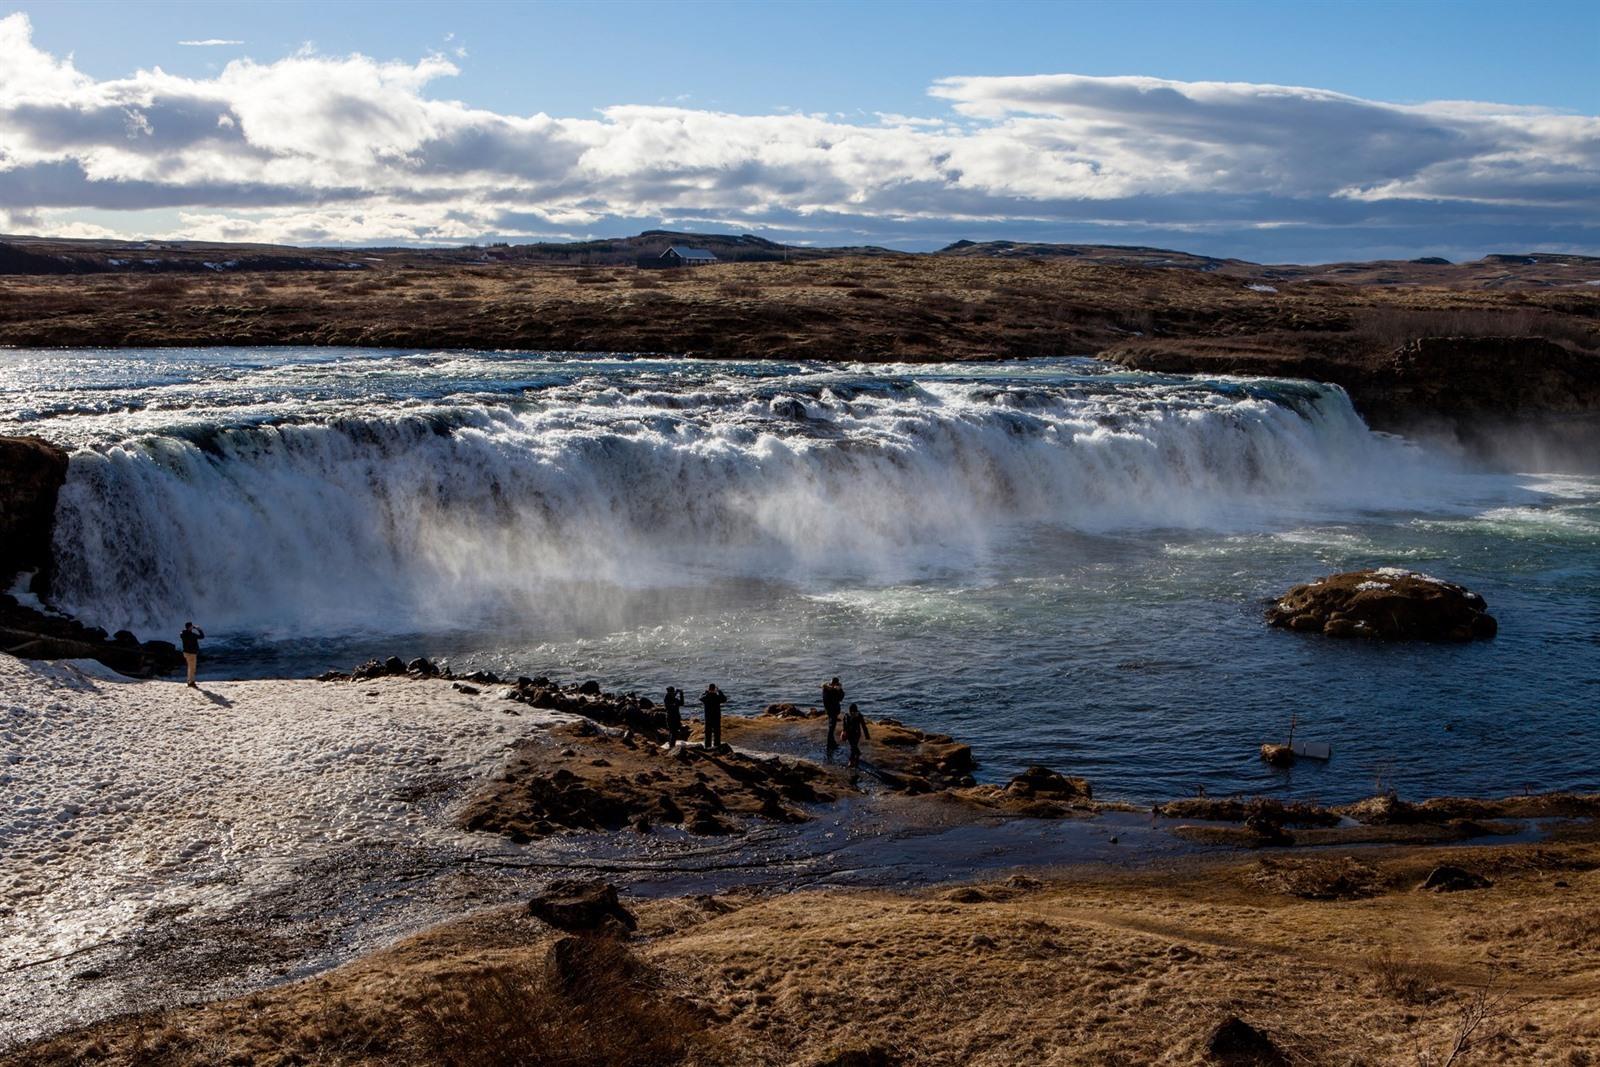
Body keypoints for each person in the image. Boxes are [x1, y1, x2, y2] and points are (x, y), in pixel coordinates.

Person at [821, 677, 845, 755]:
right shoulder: (830, 691)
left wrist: (838, 690)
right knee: (832, 727)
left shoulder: (826, 689)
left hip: (830, 710)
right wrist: (839, 690)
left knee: (832, 726)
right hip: (833, 710)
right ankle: (830, 744)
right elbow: (840, 698)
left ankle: (832, 742)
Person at [841, 702, 870, 768]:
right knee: (853, 746)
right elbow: (844, 724)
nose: (853, 713)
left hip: (856, 733)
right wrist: (843, 731)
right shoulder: (846, 715)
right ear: (850, 711)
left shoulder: (859, 715)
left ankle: (851, 761)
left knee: (853, 746)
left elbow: (863, 726)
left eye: (854, 711)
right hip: (849, 733)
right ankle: (858, 753)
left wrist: (867, 735)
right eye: (851, 711)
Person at [699, 684, 727, 749]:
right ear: (714, 689)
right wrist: (719, 691)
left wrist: (705, 692)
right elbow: (724, 699)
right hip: (716, 717)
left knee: (708, 733)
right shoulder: (717, 697)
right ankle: (717, 747)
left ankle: (707, 747)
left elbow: (700, 697)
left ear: (708, 689)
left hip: (708, 717)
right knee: (717, 733)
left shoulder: (706, 697)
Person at [179, 621, 205, 688]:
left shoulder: (182, 634)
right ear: (190, 627)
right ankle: (192, 682)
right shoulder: (192, 635)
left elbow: (182, 632)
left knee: (189, 667)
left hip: (185, 652)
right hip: (192, 653)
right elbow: (202, 636)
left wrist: (191, 628)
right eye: (191, 626)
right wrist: (198, 629)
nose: (192, 627)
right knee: (192, 668)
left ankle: (189, 681)